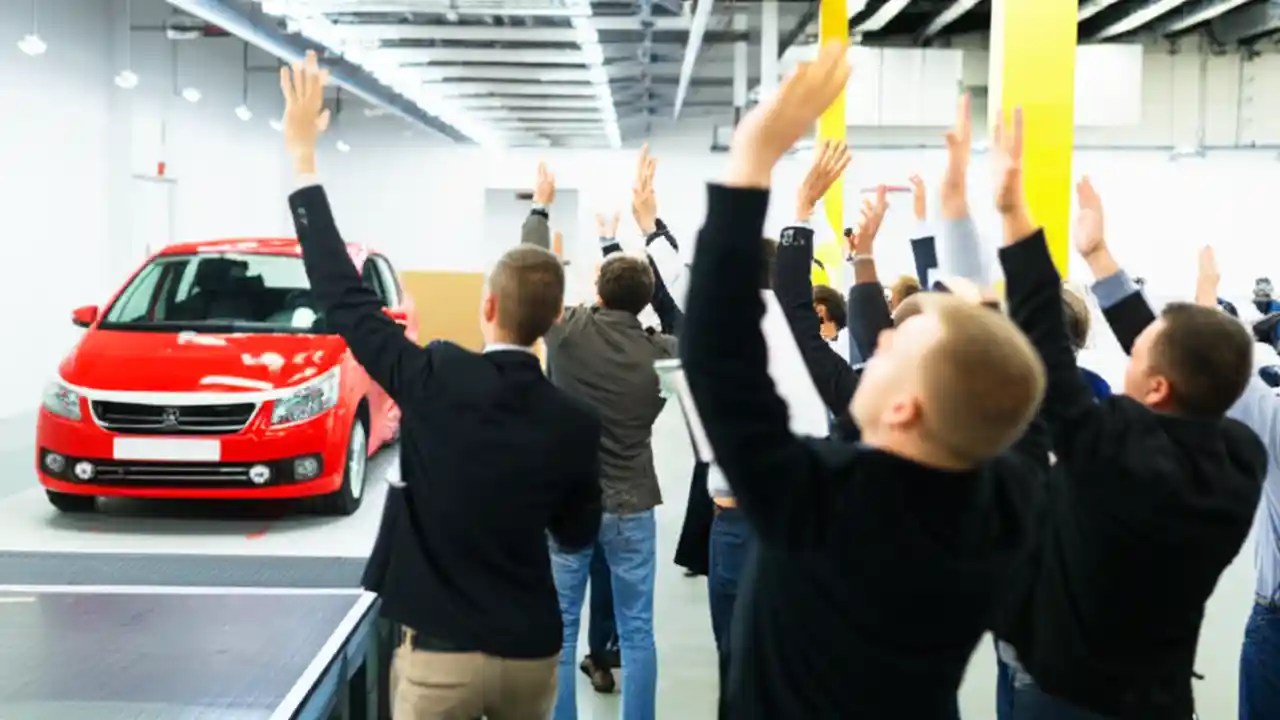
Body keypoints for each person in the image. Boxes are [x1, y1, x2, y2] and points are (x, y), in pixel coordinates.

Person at [681, 42, 1050, 718]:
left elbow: (715, 356)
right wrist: (973, 228)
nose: (876, 338)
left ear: (905, 407)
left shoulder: (821, 504)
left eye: (890, 348)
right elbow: (1017, 379)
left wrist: (753, 159)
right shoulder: (1001, 508)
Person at [278, 52, 602, 720]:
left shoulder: (433, 377)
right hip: (529, 654)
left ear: (487, 308)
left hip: (441, 656)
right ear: (553, 322)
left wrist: (304, 161)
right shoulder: (573, 421)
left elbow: (344, 301)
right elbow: (575, 535)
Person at [993, 111, 1265, 719]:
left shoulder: (1113, 450)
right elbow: (1188, 362)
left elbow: (1044, 345)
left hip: (1068, 703)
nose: (1130, 353)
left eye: (1136, 353)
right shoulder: (1239, 458)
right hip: (1163, 700)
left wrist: (1014, 214)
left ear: (1160, 387)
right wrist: (1098, 256)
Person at [534, 156, 675, 720]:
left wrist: (541, 208)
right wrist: (648, 230)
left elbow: (534, 275)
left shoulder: (567, 336)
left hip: (570, 502)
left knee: (563, 631)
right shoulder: (662, 353)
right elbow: (677, 310)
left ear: (597, 287)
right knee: (638, 633)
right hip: (633, 503)